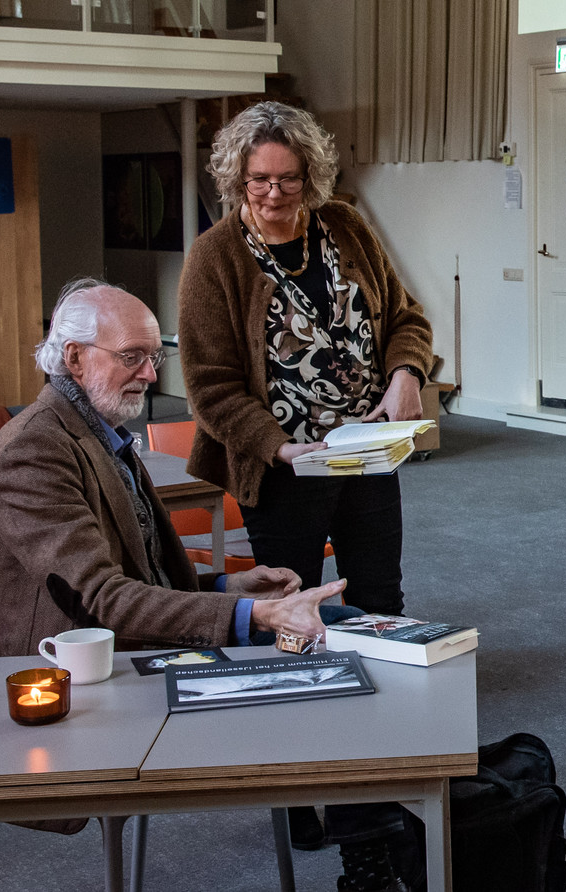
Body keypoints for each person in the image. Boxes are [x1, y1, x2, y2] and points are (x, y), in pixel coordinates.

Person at [0, 280, 416, 892]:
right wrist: (254, 617)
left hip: (142, 641)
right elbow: (102, 602)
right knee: (342, 649)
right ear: (73, 357)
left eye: (155, 357)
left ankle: (380, 847)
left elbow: (140, 570)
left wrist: (228, 583)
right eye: (132, 356)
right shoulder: (33, 455)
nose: (151, 374)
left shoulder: (94, 427)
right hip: (98, 675)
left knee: (360, 637)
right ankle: (374, 860)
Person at [178, 101, 434, 622]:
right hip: (283, 468)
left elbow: (406, 317)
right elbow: (211, 389)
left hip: (368, 450)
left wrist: (407, 375)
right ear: (238, 178)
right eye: (259, 180)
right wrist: (281, 449)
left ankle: (383, 701)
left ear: (310, 175)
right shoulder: (214, 257)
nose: (274, 194)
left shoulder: (345, 226)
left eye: (289, 180)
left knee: (381, 597)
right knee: (293, 607)